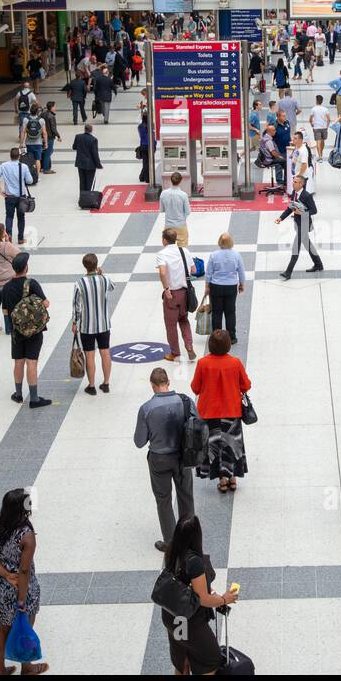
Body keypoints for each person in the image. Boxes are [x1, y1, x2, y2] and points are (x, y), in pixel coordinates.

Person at [158, 516, 236, 675]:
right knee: (210, 659)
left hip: (172, 616)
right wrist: (224, 599)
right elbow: (203, 599)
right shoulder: (195, 562)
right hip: (189, 621)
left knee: (182, 660)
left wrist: (209, 590)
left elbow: (184, 583)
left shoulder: (171, 552)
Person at [0, 489, 47, 675]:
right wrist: (21, 599)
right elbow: (24, 570)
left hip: (2, 587)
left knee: (3, 628)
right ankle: (26, 668)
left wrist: (5, 574)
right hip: (23, 588)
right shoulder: (26, 535)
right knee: (25, 626)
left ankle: (0, 671)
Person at [135, 368, 197, 551]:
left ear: (152, 386)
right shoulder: (185, 401)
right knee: (186, 496)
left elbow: (139, 441)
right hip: (183, 457)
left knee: (163, 499)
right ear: (168, 382)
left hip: (159, 459)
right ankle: (189, 538)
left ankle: (170, 542)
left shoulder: (146, 408)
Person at [191, 330, 252, 493]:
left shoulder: (203, 363)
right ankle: (233, 478)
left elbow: (195, 388)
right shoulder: (235, 362)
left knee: (214, 447)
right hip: (232, 412)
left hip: (209, 413)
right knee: (231, 445)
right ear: (227, 346)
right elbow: (246, 385)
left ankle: (222, 481)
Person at [1, 252, 52, 408]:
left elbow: (4, 311)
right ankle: (34, 398)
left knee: (18, 362)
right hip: (34, 332)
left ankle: (18, 394)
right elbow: (46, 303)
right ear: (26, 267)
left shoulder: (6, 287)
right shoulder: (32, 283)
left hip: (17, 332)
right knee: (32, 362)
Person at [72, 253, 117, 395]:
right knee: (105, 353)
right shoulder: (104, 280)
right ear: (96, 264)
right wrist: (102, 274)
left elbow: (76, 305)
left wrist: (75, 322)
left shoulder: (79, 283)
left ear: (85, 266)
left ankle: (91, 386)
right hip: (103, 324)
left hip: (87, 326)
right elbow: (112, 287)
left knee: (90, 355)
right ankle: (106, 383)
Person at [154, 227, 196, 362]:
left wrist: (166, 289)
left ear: (164, 240)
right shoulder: (184, 251)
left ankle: (175, 352)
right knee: (184, 320)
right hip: (184, 293)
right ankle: (189, 346)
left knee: (171, 324)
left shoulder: (162, 254)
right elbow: (193, 270)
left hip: (171, 294)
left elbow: (162, 272)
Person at [275, 174, 324, 280]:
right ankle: (318, 264)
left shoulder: (307, 196)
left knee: (295, 248)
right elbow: (290, 208)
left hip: (305, 224)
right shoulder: (294, 193)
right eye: (293, 181)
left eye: (295, 182)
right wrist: (281, 218)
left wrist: (302, 212)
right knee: (308, 245)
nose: (293, 183)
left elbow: (314, 210)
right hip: (298, 223)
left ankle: (288, 272)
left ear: (301, 184)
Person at [204, 232, 247, 344]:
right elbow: (241, 272)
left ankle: (216, 337)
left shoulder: (214, 255)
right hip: (231, 287)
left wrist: (207, 285)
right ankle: (231, 337)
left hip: (216, 286)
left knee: (217, 312)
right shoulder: (237, 255)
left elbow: (209, 272)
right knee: (230, 312)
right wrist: (241, 284)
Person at [0, 147, 36, 245]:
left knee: (9, 216)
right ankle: (20, 238)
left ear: (10, 156)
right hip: (21, 197)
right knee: (21, 217)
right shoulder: (23, 166)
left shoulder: (4, 166)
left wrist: (0, 191)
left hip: (9, 196)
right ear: (19, 156)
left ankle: (9, 237)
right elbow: (30, 181)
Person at [159, 171, 191, 246]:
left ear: (171, 180)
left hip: (168, 225)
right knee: (182, 248)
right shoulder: (183, 195)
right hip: (180, 225)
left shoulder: (163, 193)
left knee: (168, 248)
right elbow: (188, 212)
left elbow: (161, 210)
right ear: (180, 181)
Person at [72, 122, 102, 198]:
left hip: (80, 163)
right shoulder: (93, 140)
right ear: (91, 130)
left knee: (82, 181)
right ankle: (87, 197)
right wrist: (98, 165)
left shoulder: (78, 137)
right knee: (89, 181)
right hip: (90, 164)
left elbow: (74, 147)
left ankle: (82, 196)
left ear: (84, 129)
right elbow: (95, 154)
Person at [19, 104, 47, 168]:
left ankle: (31, 174)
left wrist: (21, 143)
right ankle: (37, 176)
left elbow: (23, 132)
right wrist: (46, 143)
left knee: (30, 160)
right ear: (37, 111)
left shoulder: (26, 119)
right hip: (38, 143)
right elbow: (44, 133)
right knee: (37, 160)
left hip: (28, 143)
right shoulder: (41, 120)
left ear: (30, 110)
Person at [308, 94, 332, 161]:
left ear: (316, 101)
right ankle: (321, 153)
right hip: (324, 127)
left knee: (318, 142)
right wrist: (327, 125)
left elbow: (310, 119)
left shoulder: (313, 109)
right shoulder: (325, 109)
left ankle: (320, 156)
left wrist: (312, 124)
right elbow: (329, 119)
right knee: (322, 141)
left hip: (316, 127)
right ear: (322, 101)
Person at [40, 101, 60, 175]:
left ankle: (42, 166)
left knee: (45, 151)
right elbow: (53, 128)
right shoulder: (51, 116)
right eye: (54, 106)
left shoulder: (42, 114)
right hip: (50, 137)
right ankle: (46, 168)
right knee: (48, 152)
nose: (55, 108)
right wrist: (58, 136)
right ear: (51, 108)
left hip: (42, 136)